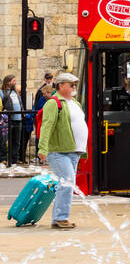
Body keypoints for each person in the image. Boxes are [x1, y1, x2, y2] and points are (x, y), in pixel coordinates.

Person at [37, 71, 88, 230]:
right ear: (60, 86)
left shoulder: (75, 103)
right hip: (59, 151)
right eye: (71, 85)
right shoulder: (53, 103)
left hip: (73, 151)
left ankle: (59, 218)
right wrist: (42, 148)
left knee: (66, 184)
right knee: (67, 182)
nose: (74, 87)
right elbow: (47, 126)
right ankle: (60, 218)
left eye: (75, 85)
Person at [2, 73, 25, 165]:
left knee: (17, 141)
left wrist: (22, 113)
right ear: (8, 82)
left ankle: (14, 160)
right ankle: (5, 159)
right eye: (13, 81)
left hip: (18, 119)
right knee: (6, 140)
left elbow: (20, 104)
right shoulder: (2, 92)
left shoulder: (16, 92)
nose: (15, 82)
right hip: (8, 119)